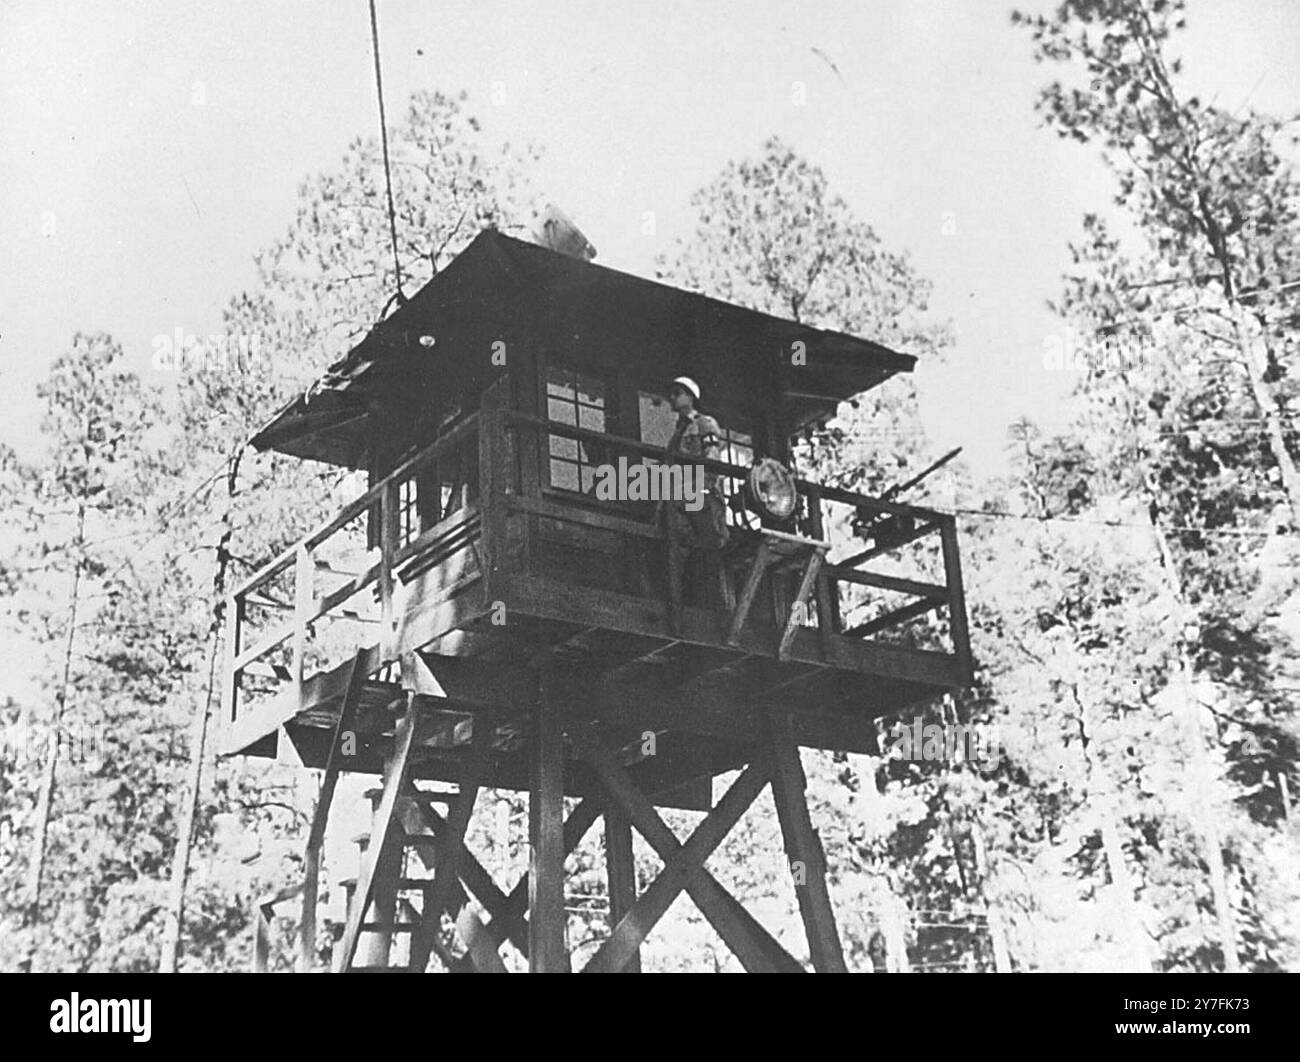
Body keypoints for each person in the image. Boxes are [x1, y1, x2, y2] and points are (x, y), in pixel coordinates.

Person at [662, 376, 730, 627]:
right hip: (681, 498)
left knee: (710, 550)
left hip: (701, 495)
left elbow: (712, 458)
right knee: (685, 549)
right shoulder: (677, 434)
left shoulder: (704, 423)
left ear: (691, 396)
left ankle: (719, 613)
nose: (673, 397)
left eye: (678, 392)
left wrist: (704, 489)